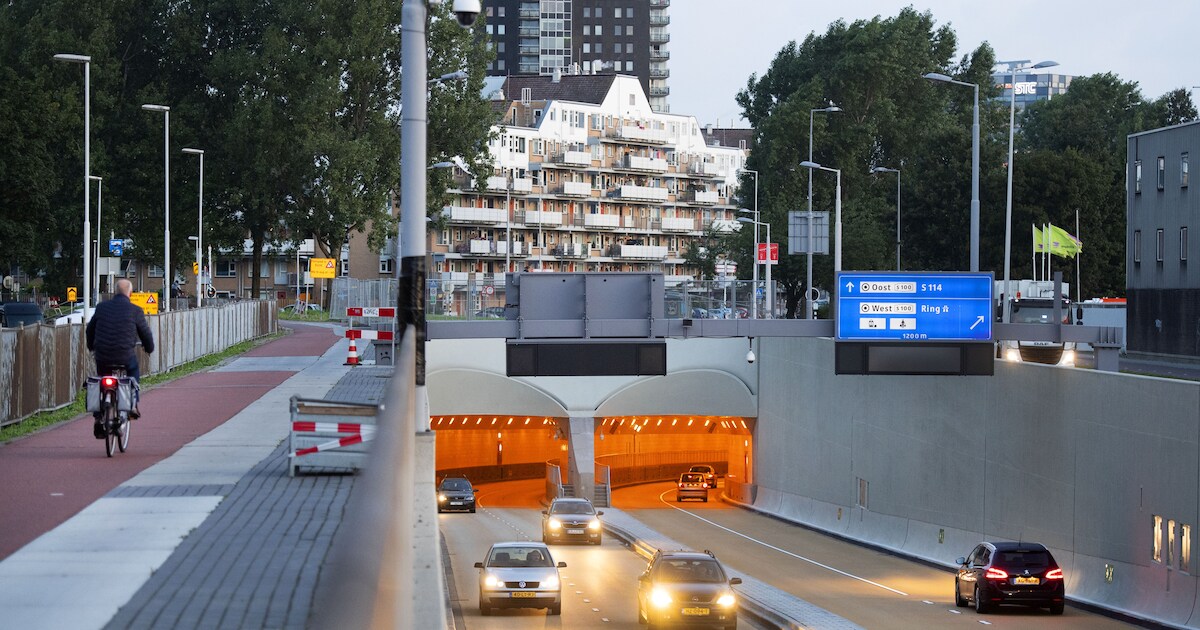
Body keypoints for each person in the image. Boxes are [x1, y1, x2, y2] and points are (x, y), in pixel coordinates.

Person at [86, 279, 154, 433]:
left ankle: (98, 416)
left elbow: (90, 330)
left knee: (101, 376)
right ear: (130, 293)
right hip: (125, 356)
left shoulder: (101, 308)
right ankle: (132, 403)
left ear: (115, 292)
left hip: (102, 355)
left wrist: (91, 347)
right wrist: (149, 348)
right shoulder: (135, 310)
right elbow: (145, 333)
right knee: (133, 371)